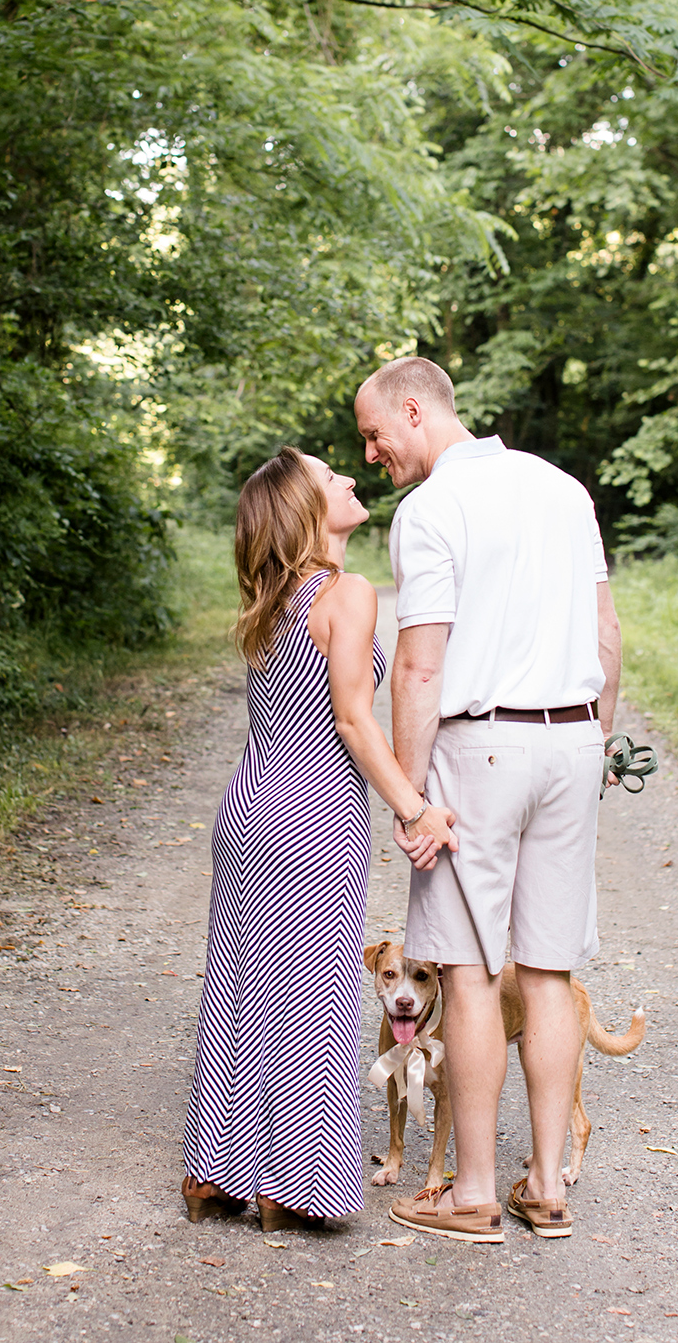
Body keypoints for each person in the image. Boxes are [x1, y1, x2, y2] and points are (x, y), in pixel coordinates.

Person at [353, 358, 621, 1244]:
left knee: (466, 973)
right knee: (546, 972)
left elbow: (421, 663)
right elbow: (605, 638)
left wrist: (408, 795)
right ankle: (546, 1186)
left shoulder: (430, 509)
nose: (371, 452)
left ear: (416, 409)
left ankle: (469, 1195)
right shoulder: (562, 489)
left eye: (374, 432)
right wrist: (596, 746)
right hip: (573, 741)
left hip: (481, 746)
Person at [181, 446, 456, 1232]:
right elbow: (351, 719)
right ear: (306, 507)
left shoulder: (273, 600)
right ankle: (290, 1183)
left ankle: (217, 1172)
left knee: (240, 990)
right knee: (312, 1002)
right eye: (329, 475)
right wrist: (414, 808)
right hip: (309, 816)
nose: (347, 477)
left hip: (246, 814)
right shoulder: (347, 592)